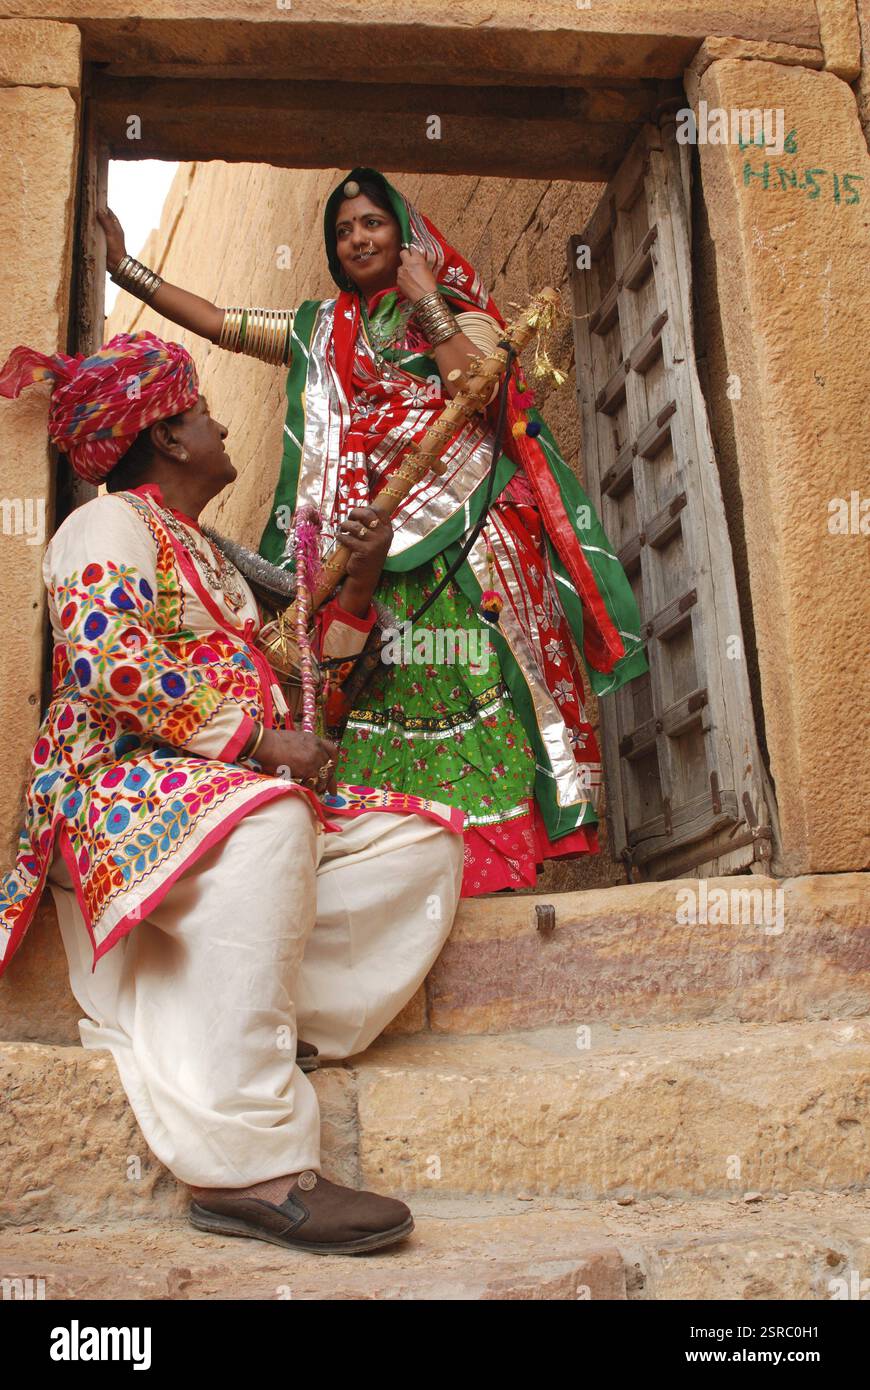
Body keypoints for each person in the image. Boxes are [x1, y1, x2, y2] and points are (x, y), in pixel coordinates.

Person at [0, 330, 465, 1254]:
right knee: (273, 819)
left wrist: (359, 587)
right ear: (168, 438)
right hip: (115, 791)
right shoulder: (107, 526)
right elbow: (104, 663)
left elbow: (301, 692)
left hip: (220, 798)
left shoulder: (214, 561)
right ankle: (252, 1166)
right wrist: (256, 742)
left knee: (420, 844)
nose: (219, 424)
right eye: (202, 411)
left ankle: (250, 1018)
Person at [99, 166, 647, 896]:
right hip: (371, 556)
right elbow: (221, 323)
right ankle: (404, 877)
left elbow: (479, 394)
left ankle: (502, 871)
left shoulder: (463, 313)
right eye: (344, 230)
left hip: (465, 539)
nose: (357, 237)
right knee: (379, 704)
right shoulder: (320, 332)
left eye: (372, 223)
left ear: (406, 233)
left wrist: (428, 304)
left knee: (485, 685)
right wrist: (125, 270)